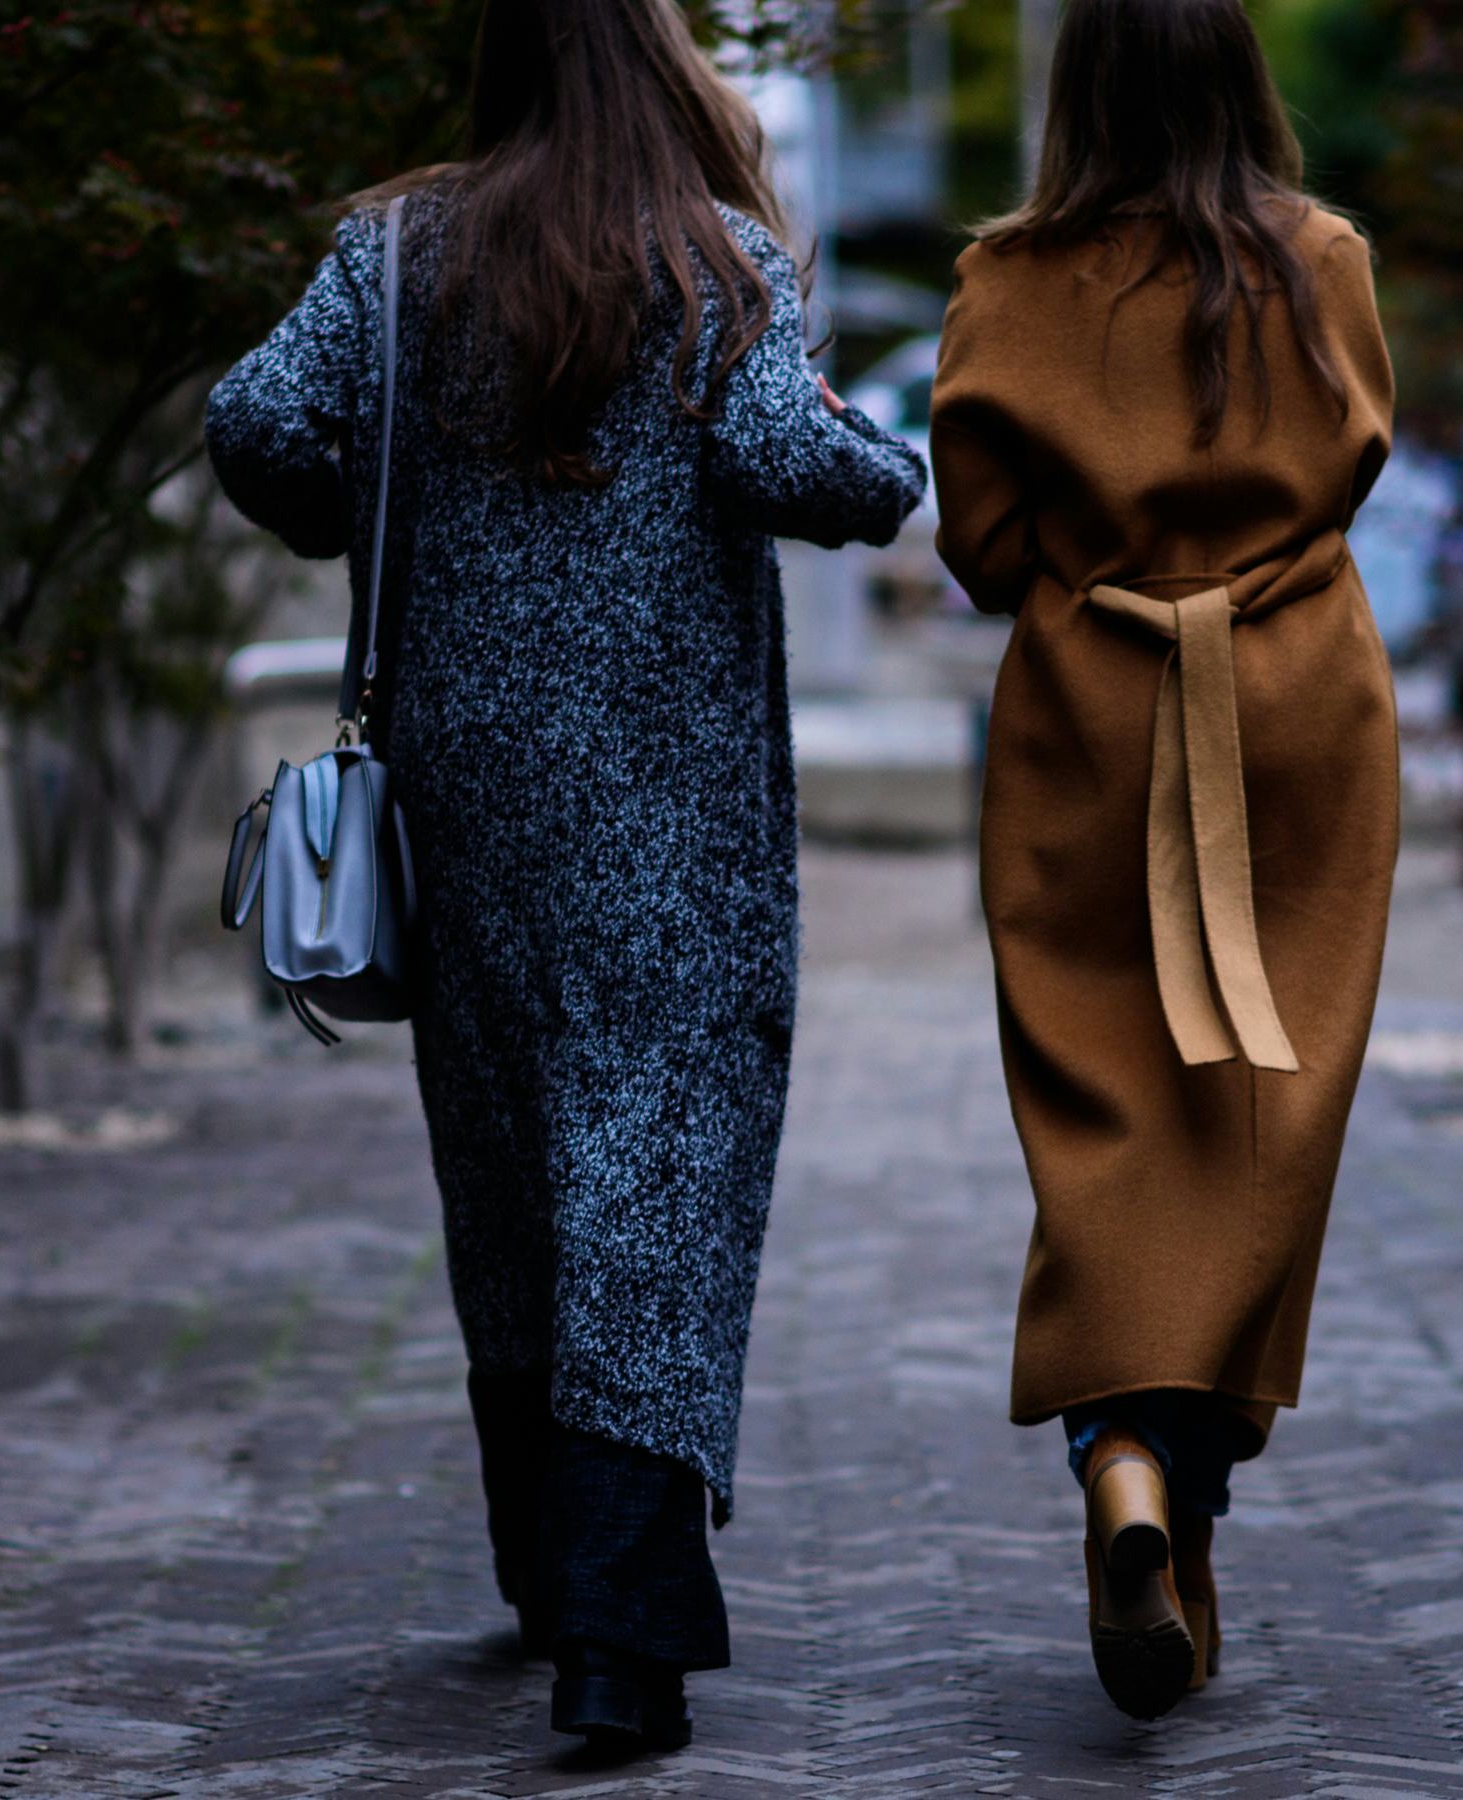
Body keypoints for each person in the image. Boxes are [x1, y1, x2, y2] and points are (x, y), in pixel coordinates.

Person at [203, 0, 927, 1755]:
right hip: (668, 815)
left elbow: (253, 426)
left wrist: (384, 512)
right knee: (651, 1190)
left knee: (511, 1166)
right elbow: (784, 464)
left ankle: (548, 1575)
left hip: (465, 795)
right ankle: (621, 1644)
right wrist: (890, 467)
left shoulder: (397, 251)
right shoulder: (714, 258)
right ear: (660, 67)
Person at [930, 0, 1397, 1722]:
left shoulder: (1005, 279)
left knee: (1107, 1120)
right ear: (1238, 74)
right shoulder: (1324, 257)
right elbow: (1356, 468)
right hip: (1298, 720)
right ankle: (1161, 1487)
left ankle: (1124, 1462)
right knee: (1264, 1113)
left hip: (1089, 721)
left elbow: (979, 543)